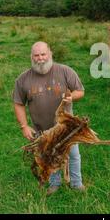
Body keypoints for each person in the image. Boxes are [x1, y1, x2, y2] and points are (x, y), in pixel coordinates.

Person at [12, 41, 85, 195]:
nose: (40, 58)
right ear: (31, 57)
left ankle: (77, 184)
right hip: (42, 129)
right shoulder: (23, 79)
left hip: (66, 128)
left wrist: (72, 96)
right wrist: (24, 126)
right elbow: (18, 103)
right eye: (36, 55)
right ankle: (54, 183)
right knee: (49, 156)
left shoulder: (65, 71)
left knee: (73, 155)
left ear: (50, 54)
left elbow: (80, 91)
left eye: (43, 54)